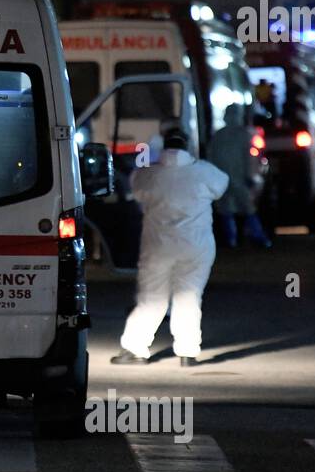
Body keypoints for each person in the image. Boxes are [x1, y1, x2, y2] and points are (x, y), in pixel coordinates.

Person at [112, 127, 229, 368]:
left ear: (164, 146)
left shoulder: (148, 175)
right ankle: (187, 352)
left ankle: (135, 349)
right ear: (188, 146)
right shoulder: (205, 172)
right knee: (189, 296)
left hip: (158, 247)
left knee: (152, 298)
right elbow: (222, 185)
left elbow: (134, 186)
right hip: (196, 246)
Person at [207, 104, 271, 249]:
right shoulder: (244, 134)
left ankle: (231, 239)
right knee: (248, 209)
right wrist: (251, 176)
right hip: (240, 179)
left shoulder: (218, 136)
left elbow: (211, 157)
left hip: (222, 180)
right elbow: (250, 158)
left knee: (226, 210)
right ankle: (257, 237)